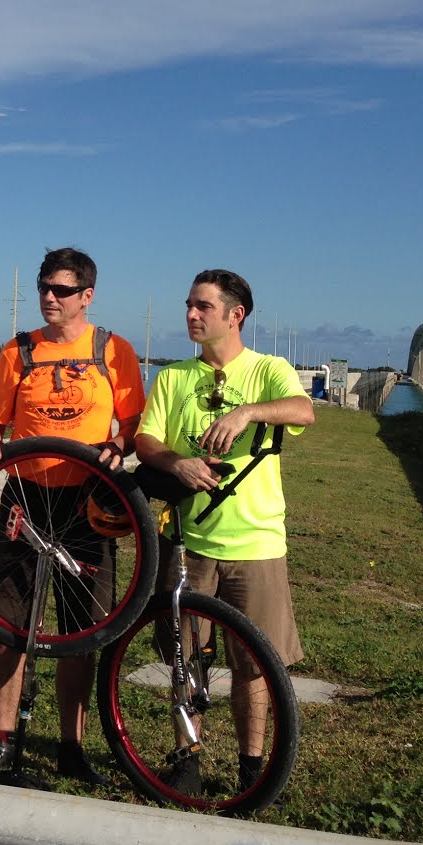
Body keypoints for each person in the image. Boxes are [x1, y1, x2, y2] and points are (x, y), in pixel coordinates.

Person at [0, 247, 145, 785]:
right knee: (7, 626)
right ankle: (1, 742)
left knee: (82, 631)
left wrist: (119, 444)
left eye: (61, 290)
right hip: (27, 496)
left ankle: (71, 746)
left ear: (87, 295)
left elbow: (132, 426)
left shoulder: (114, 351)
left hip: (86, 503)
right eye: (44, 288)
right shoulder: (17, 352)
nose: (49, 298)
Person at [132, 268, 314, 795]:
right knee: (185, 661)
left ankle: (250, 767)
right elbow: (146, 441)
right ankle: (187, 759)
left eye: (203, 307)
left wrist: (247, 412)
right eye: (188, 305)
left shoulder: (268, 369)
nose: (191, 314)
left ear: (235, 316)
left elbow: (304, 411)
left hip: (255, 544)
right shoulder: (173, 377)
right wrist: (176, 464)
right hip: (188, 543)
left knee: (254, 665)